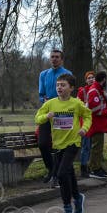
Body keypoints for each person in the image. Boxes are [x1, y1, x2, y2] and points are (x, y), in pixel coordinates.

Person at [35, 73, 92, 213]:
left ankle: (67, 207)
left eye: (63, 85)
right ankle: (78, 197)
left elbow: (88, 116)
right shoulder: (50, 103)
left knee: (60, 174)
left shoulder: (76, 103)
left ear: (71, 88)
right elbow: (37, 118)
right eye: (58, 85)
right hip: (58, 144)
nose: (59, 87)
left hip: (73, 143)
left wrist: (84, 129)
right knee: (69, 174)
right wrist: (47, 117)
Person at [38, 49, 72, 184]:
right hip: (47, 113)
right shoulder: (43, 74)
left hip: (62, 113)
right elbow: (41, 94)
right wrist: (44, 101)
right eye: (52, 57)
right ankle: (51, 169)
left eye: (57, 57)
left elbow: (69, 93)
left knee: (60, 145)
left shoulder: (67, 74)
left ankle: (58, 173)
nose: (54, 59)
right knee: (42, 143)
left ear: (61, 59)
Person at [84, 71, 107, 179]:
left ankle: (98, 167)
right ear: (104, 79)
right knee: (96, 147)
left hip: (99, 123)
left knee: (98, 147)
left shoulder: (97, 89)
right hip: (96, 124)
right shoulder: (94, 91)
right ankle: (94, 169)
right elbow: (94, 108)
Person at [76, 71, 95, 178]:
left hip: (94, 123)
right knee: (85, 146)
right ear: (86, 80)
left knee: (91, 147)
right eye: (89, 78)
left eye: (93, 77)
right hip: (84, 122)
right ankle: (83, 168)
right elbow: (78, 106)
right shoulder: (82, 91)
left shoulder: (96, 90)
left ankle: (89, 166)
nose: (91, 79)